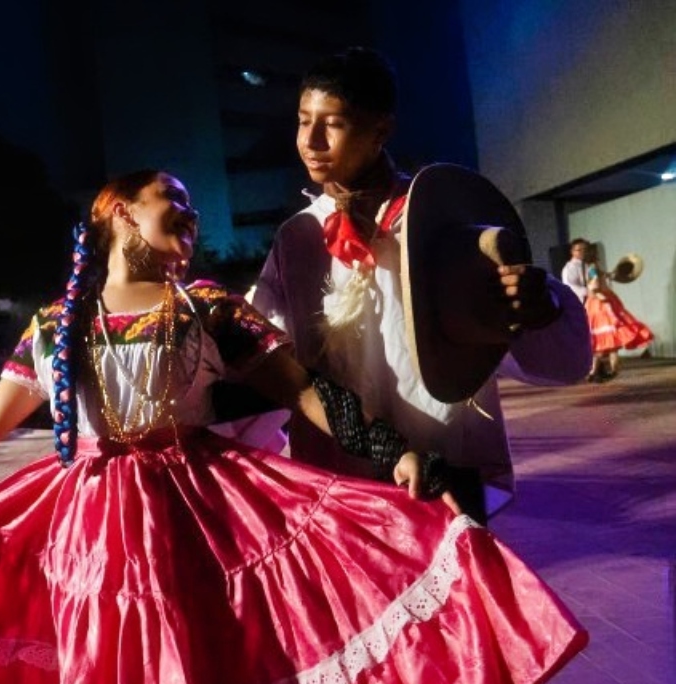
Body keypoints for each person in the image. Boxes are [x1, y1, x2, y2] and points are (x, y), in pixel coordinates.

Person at [0, 170, 586, 684]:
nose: (189, 217)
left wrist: (392, 451)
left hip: (203, 519)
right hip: (99, 534)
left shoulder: (207, 308)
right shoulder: (57, 324)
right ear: (116, 214)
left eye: (193, 209)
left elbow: (306, 388)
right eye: (169, 203)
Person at [247, 47, 592, 523]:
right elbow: (266, 347)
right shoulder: (297, 237)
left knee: (455, 592)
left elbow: (543, 350)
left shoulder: (438, 216)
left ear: (380, 131)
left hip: (443, 462)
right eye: (304, 120)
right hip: (340, 478)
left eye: (335, 123)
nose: (311, 140)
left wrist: (539, 307)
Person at [583, 254, 653, 381]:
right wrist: (600, 295)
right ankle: (609, 370)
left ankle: (596, 371)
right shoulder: (593, 270)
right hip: (601, 306)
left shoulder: (593, 270)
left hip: (597, 306)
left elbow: (596, 285)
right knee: (610, 344)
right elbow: (594, 286)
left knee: (602, 345)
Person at [561, 238, 590, 302]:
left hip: (590, 302)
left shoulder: (586, 265)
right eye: (579, 250)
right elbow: (570, 287)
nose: (583, 252)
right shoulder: (569, 268)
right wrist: (589, 291)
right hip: (579, 303)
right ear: (572, 251)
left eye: (584, 249)